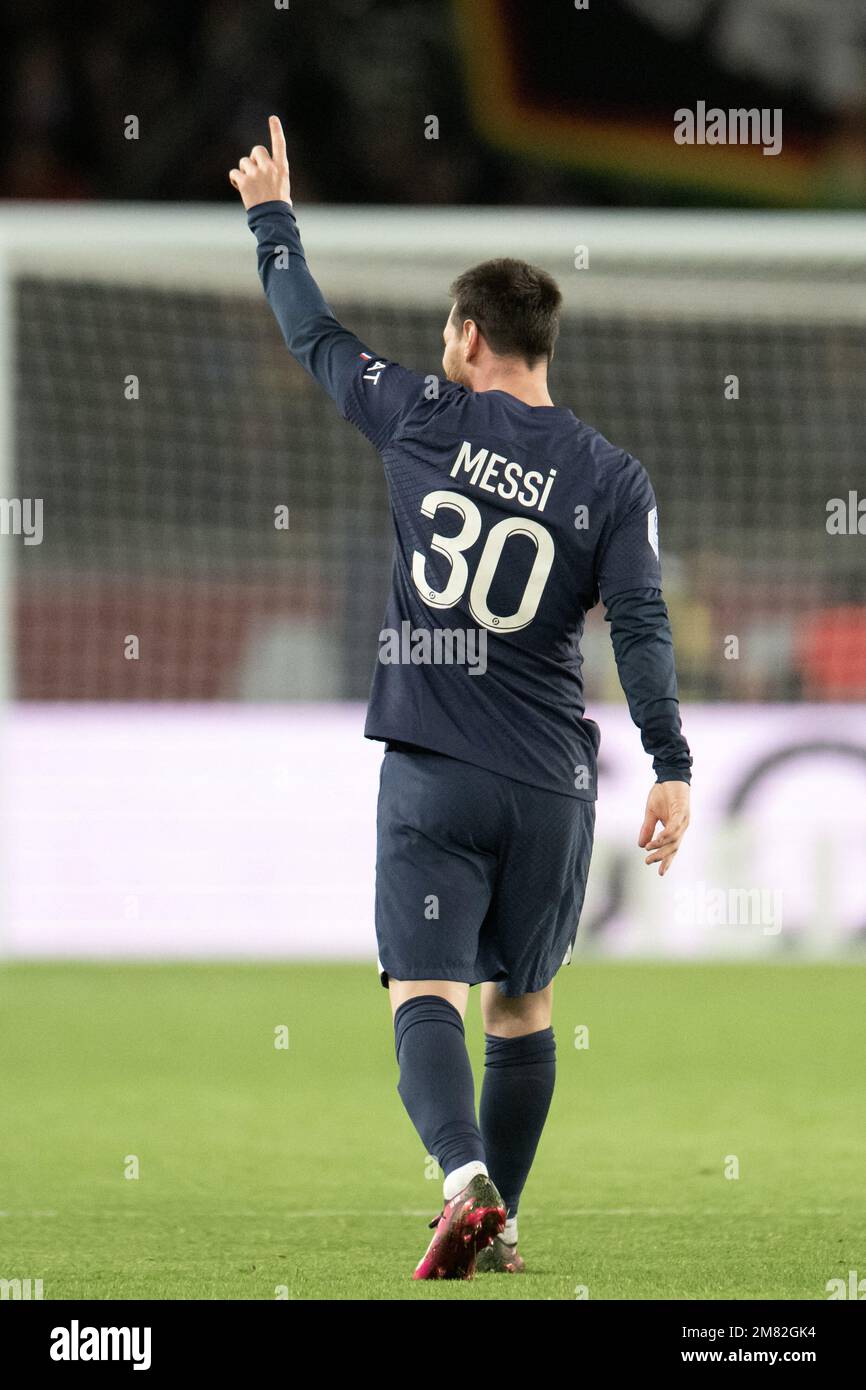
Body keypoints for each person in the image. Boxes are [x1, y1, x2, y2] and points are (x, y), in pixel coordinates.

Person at [230, 118, 692, 1280]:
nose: (440, 347)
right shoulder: (610, 476)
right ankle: (505, 1222)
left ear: (472, 337)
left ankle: (459, 1175)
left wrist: (272, 220)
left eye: (446, 332)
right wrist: (672, 761)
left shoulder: (420, 416)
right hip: (549, 781)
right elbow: (636, 624)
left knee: (419, 987)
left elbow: (314, 335)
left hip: (433, 765)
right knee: (522, 1012)